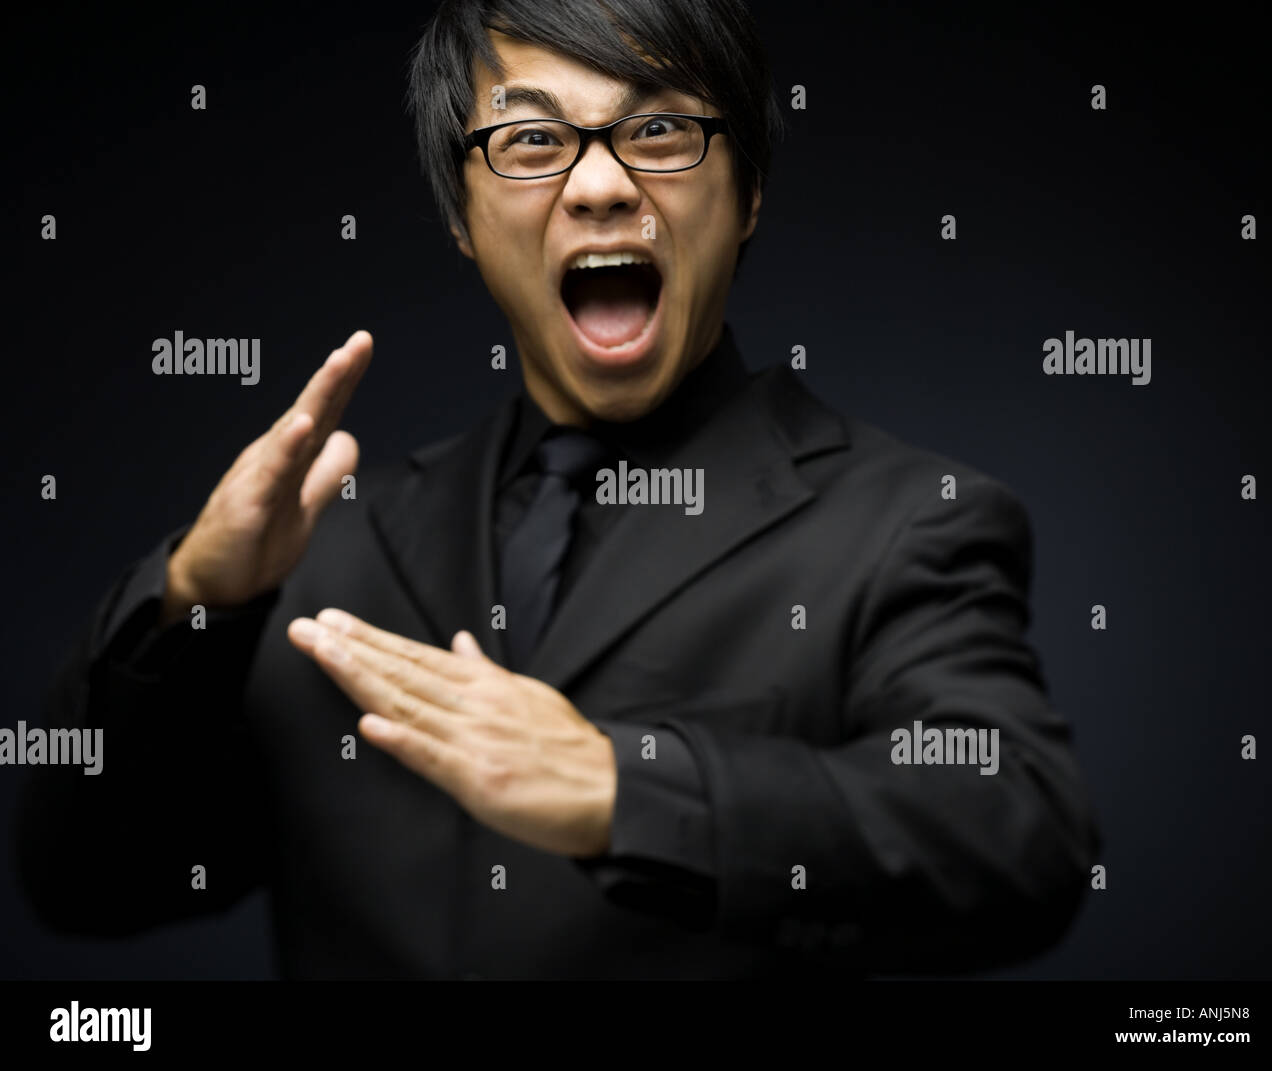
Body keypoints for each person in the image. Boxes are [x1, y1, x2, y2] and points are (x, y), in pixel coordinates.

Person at [16, 0, 1099, 978]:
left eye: (660, 129)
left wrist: (626, 790)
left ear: (750, 189)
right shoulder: (324, 548)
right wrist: (191, 600)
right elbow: (88, 888)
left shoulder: (905, 521)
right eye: (531, 139)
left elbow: (1018, 835)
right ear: (461, 215)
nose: (597, 183)